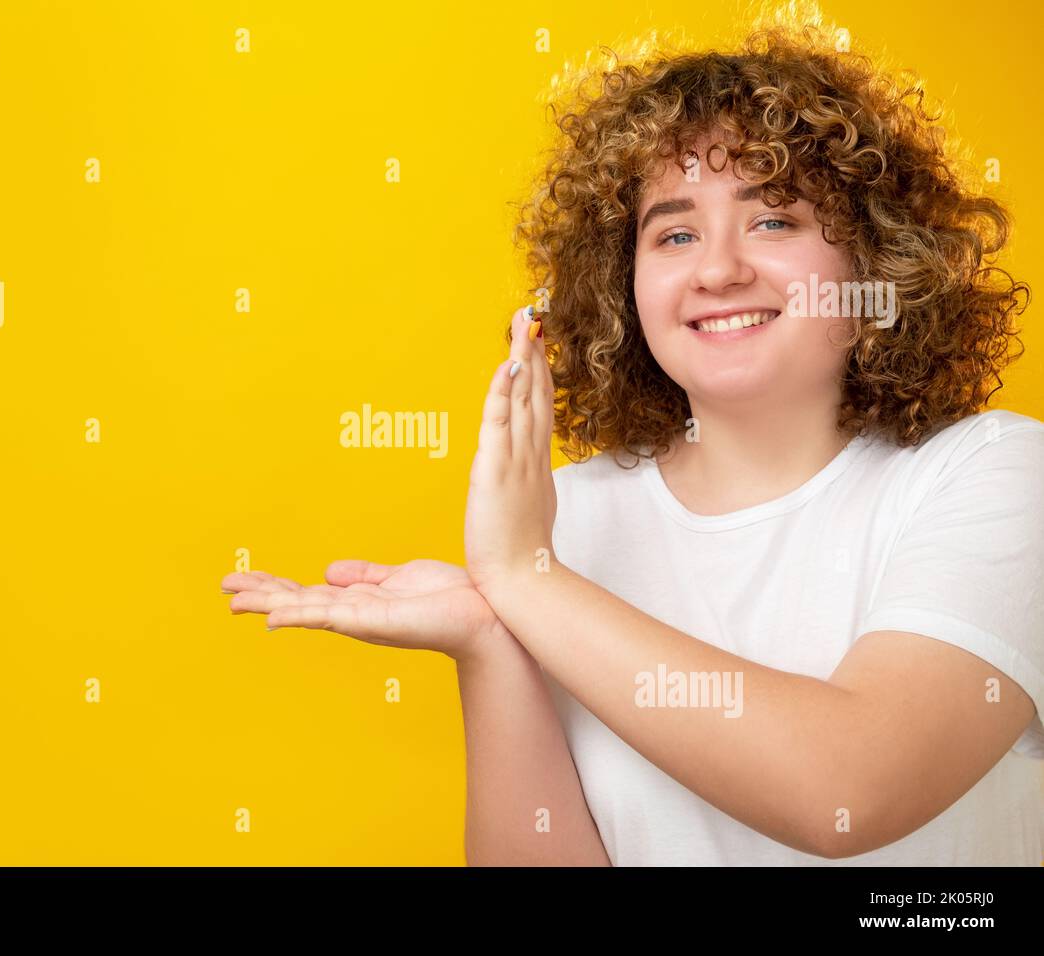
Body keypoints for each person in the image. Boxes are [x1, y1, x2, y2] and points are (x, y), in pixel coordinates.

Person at [220, 13, 1044, 865]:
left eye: (774, 221)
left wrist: (521, 580)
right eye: (675, 233)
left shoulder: (997, 474)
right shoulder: (560, 522)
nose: (718, 269)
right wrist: (489, 638)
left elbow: (848, 790)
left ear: (876, 261)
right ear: (625, 285)